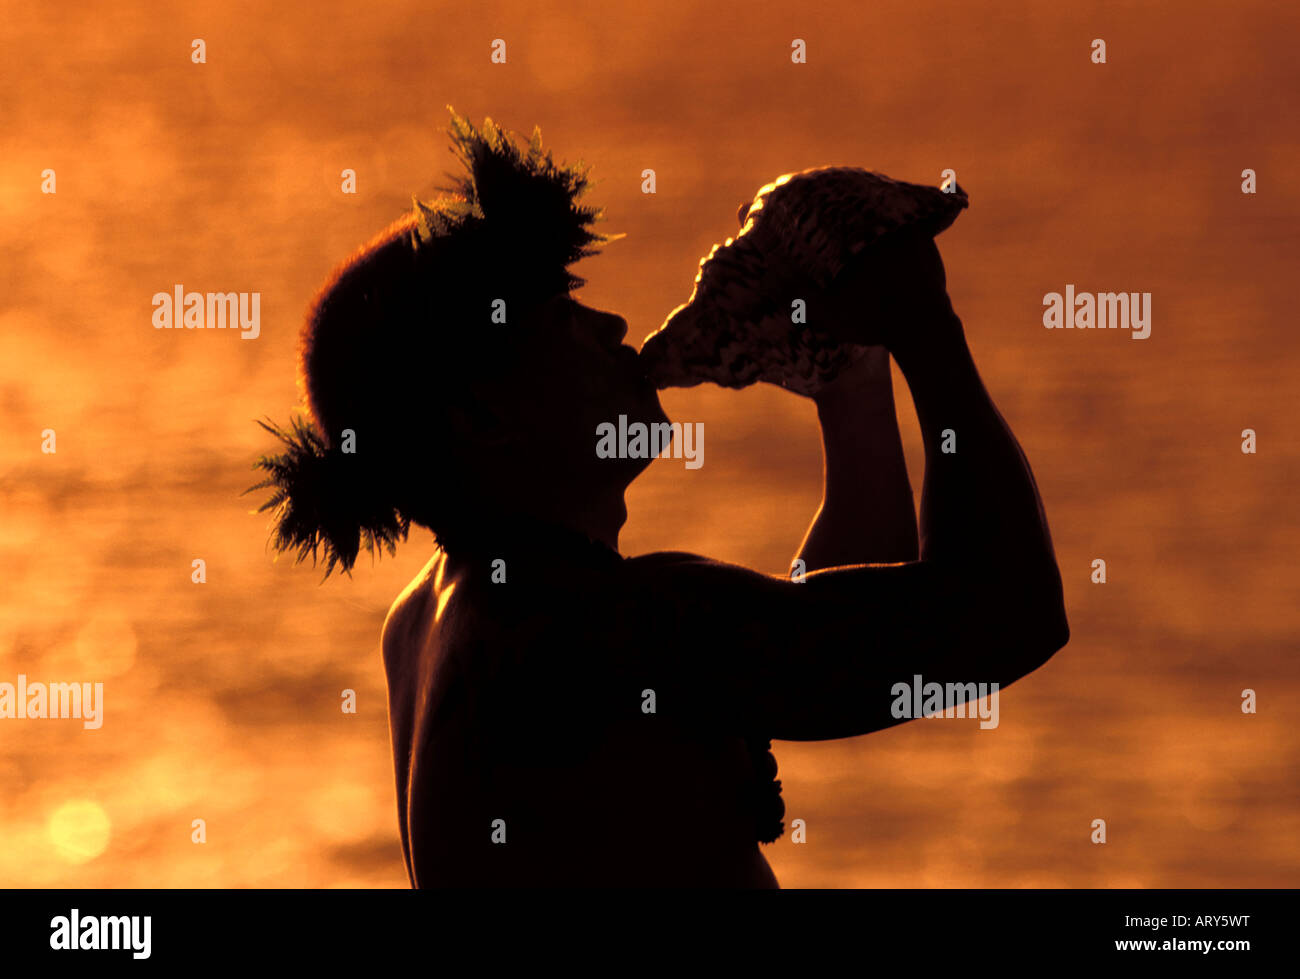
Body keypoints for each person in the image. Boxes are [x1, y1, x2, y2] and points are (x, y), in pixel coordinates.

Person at [250, 111, 1068, 888]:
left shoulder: (437, 619)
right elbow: (1007, 612)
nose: (612, 324)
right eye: (563, 318)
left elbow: (844, 606)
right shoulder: (612, 628)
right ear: (484, 415)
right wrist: (925, 324)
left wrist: (848, 386)